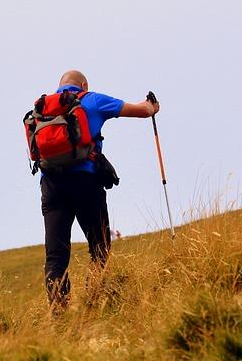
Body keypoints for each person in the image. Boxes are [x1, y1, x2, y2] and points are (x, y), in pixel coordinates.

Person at [37, 69, 158, 309]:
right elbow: (142, 111)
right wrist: (152, 106)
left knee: (56, 257)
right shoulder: (91, 99)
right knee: (100, 246)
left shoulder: (43, 108)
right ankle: (93, 302)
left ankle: (59, 312)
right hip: (86, 181)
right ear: (83, 84)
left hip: (51, 186)